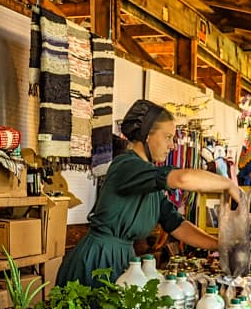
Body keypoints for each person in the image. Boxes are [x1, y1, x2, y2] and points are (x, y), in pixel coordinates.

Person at [55, 100, 238, 287]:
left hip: (123, 260)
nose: (173, 146)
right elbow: (181, 179)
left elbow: (177, 225)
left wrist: (219, 245)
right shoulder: (127, 166)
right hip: (98, 261)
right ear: (147, 136)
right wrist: (228, 185)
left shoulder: (150, 181)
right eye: (168, 137)